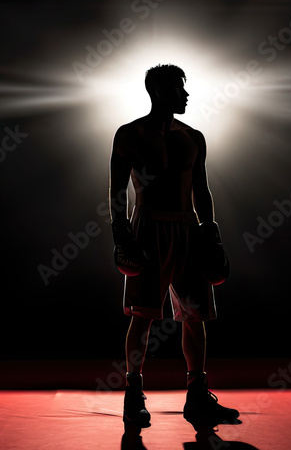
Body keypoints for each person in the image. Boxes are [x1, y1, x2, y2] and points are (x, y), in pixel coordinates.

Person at [108, 64, 239, 432]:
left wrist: (210, 232)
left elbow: (201, 190)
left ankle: (197, 395)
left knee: (195, 317)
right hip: (147, 227)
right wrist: (121, 233)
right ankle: (134, 395)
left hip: (187, 229)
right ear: (160, 91)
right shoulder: (130, 134)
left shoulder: (194, 137)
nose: (186, 95)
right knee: (143, 315)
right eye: (180, 89)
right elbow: (117, 190)